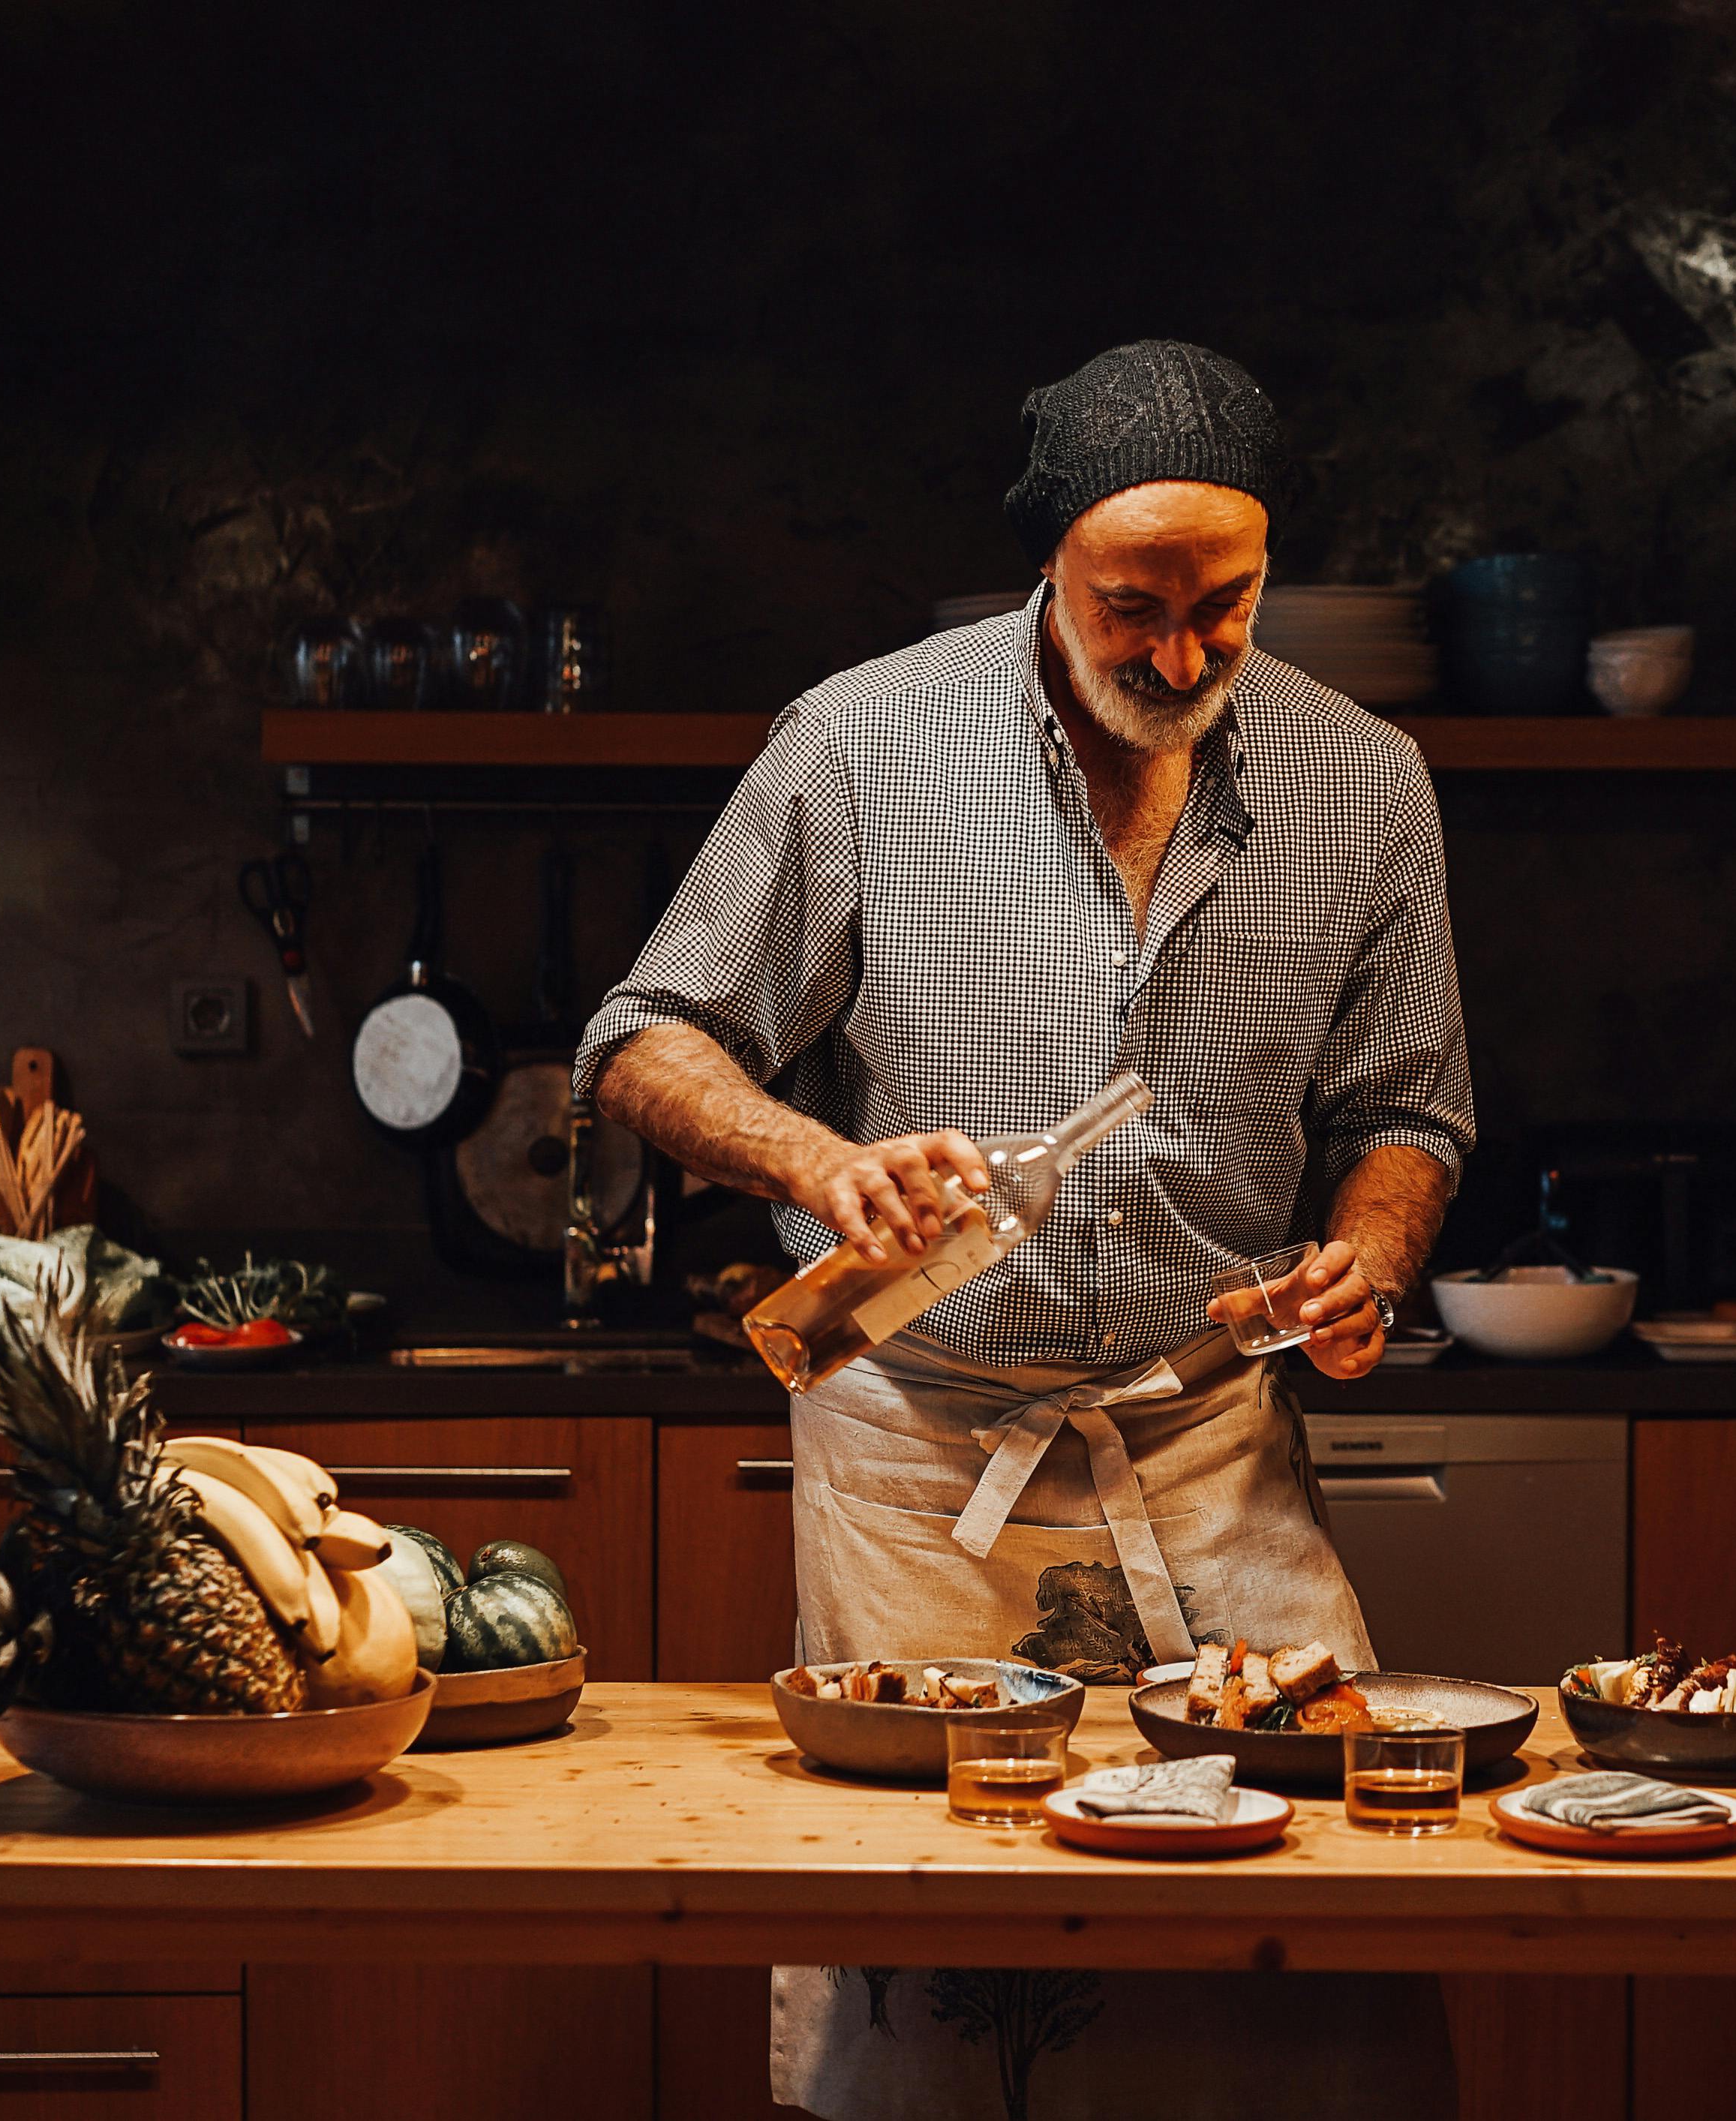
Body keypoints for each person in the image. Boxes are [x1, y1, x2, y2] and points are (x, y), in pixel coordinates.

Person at [577, 338, 1475, 2119]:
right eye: (1129, 605)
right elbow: (644, 1038)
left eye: (1222, 606)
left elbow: (1403, 1111)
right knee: (939, 1999)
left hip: (1210, 1441)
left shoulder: (1362, 780)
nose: (1177, 654)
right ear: (1046, 565)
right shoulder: (862, 739)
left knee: (1309, 1968)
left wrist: (1371, 1253)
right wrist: (818, 1163)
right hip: (920, 1460)